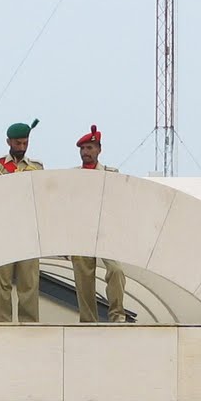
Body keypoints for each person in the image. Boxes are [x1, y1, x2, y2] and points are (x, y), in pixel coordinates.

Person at [0, 120, 44, 323]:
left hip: (27, 232)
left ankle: (30, 326)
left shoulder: (36, 168)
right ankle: (1, 325)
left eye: (25, 143)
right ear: (8, 142)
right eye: (17, 143)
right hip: (4, 232)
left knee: (29, 284)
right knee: (1, 284)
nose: (21, 147)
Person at [70, 125, 127, 323]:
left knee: (116, 270)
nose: (85, 152)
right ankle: (88, 320)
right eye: (83, 148)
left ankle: (117, 314)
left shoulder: (111, 174)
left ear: (99, 150)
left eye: (90, 148)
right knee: (83, 278)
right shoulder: (72, 176)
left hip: (105, 231)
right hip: (82, 232)